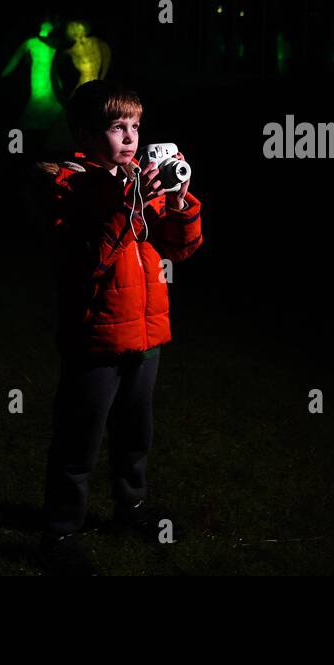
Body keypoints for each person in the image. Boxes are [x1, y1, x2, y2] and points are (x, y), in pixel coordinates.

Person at [36, 80, 203, 574]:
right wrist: (127, 203)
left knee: (135, 433)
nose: (130, 138)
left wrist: (178, 203)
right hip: (96, 338)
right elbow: (90, 259)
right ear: (85, 133)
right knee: (78, 439)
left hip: (146, 335)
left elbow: (179, 248)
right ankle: (60, 532)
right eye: (116, 127)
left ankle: (131, 508)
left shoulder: (138, 179)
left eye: (134, 126)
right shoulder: (66, 184)